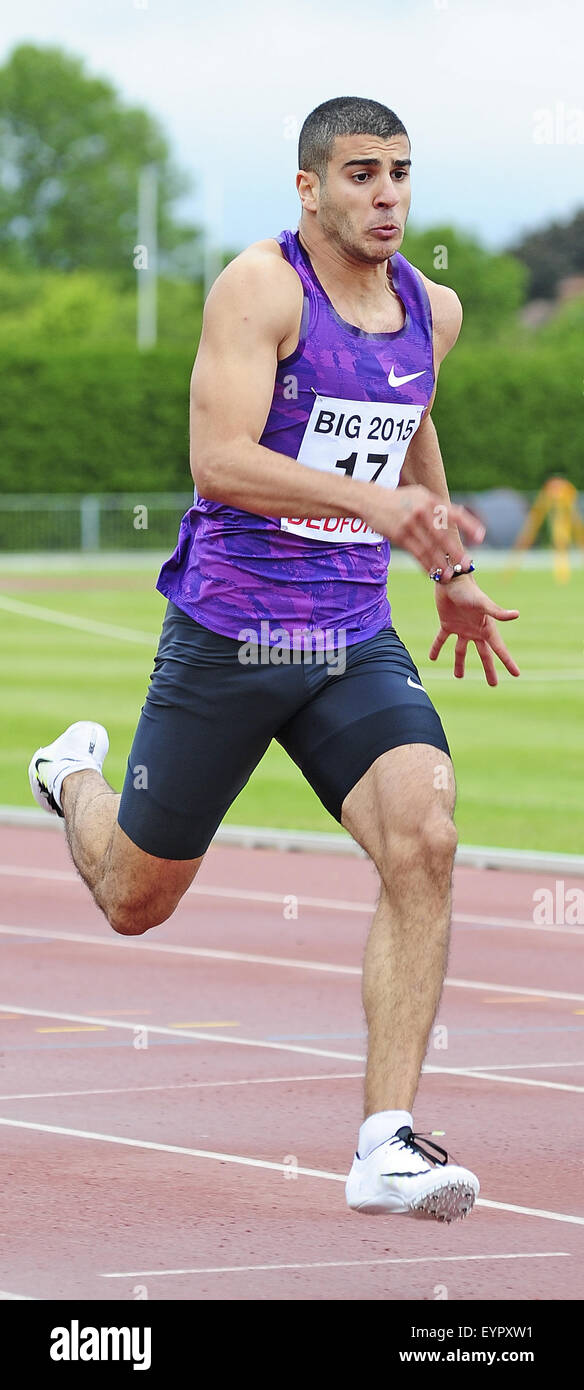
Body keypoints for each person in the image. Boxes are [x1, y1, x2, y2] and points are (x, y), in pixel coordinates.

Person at [29, 96, 519, 1222]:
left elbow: (411, 414)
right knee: (136, 899)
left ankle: (383, 1141)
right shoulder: (260, 287)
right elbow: (217, 460)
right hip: (234, 631)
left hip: (349, 635)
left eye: (398, 171)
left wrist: (444, 566)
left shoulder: (430, 310)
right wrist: (378, 504)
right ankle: (72, 777)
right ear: (309, 189)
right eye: (358, 174)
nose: (384, 192)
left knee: (427, 836)